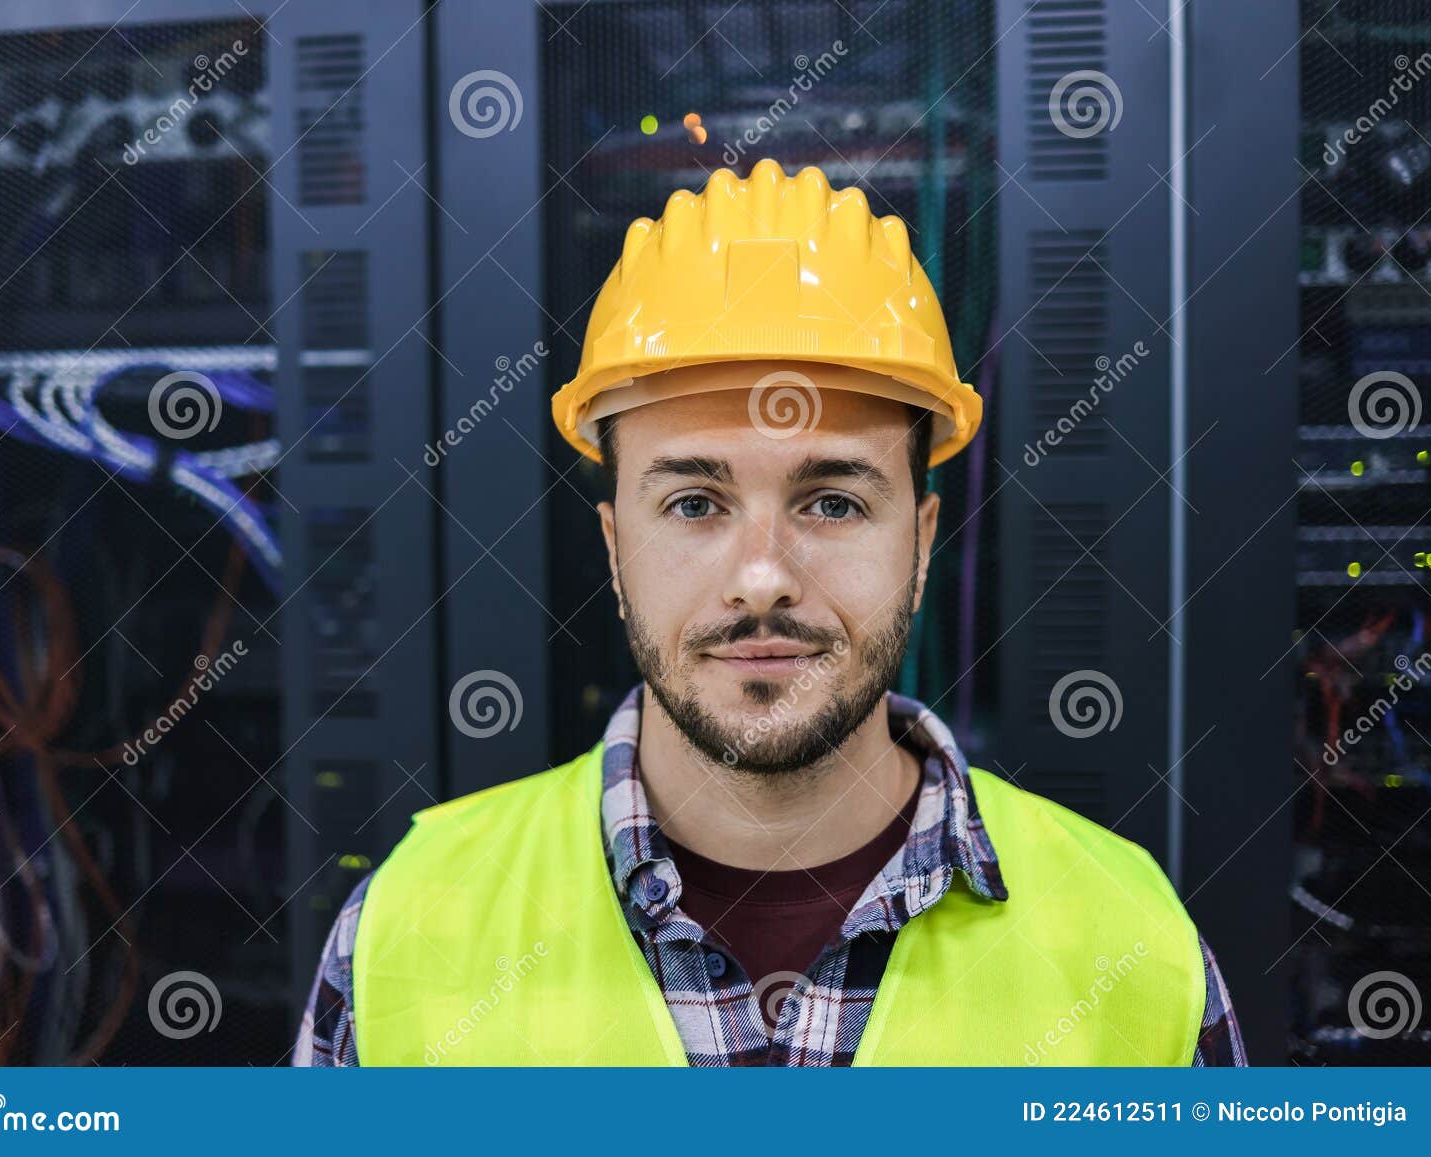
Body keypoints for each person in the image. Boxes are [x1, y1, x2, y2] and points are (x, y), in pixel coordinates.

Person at [294, 158, 1245, 1067]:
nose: (761, 578)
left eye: (832, 501)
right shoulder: (403, 934)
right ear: (616, 546)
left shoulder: (1133, 949)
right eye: (695, 503)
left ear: (920, 540)